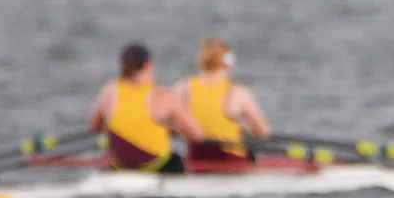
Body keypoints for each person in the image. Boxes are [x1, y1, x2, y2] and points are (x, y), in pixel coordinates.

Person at [87, 43, 203, 172]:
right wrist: (172, 130)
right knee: (177, 159)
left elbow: (95, 127)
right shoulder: (161, 95)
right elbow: (197, 134)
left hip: (120, 164)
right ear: (149, 64)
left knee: (106, 150)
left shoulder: (109, 91)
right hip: (156, 165)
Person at [176, 39, 272, 165]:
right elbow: (263, 131)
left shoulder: (184, 88)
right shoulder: (236, 92)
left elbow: (170, 126)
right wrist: (244, 129)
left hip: (196, 159)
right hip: (229, 161)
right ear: (228, 63)